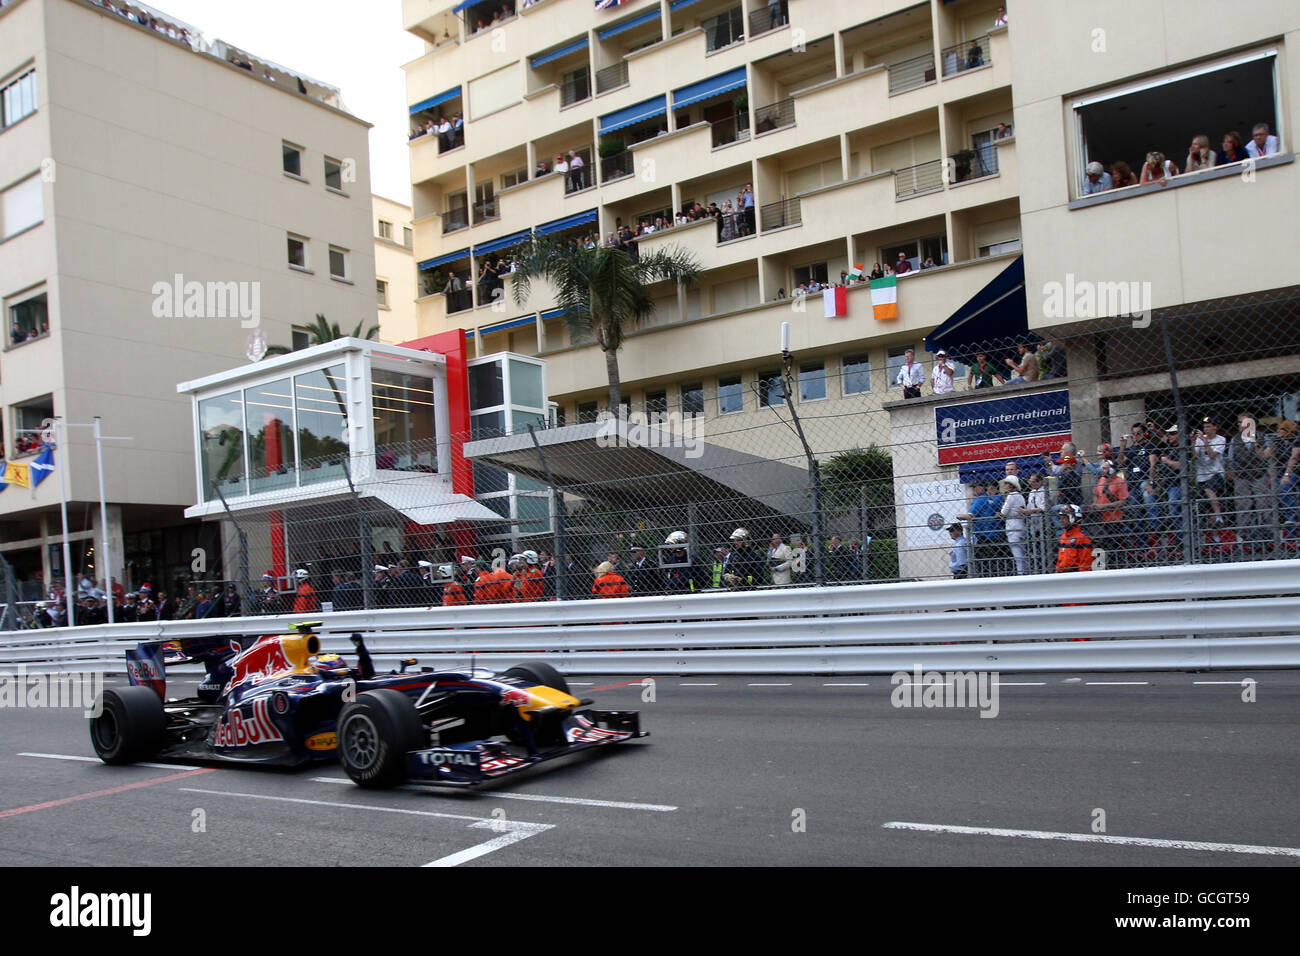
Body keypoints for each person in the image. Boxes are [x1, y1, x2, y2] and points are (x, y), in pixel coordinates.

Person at [1227, 413, 1274, 549]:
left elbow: (1265, 456)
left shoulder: (1263, 437)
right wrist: (1237, 471)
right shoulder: (1235, 439)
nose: (1240, 425)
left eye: (1243, 422)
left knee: (1264, 505)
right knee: (1243, 506)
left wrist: (1255, 443)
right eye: (1239, 423)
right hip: (1242, 476)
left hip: (1259, 474)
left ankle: (1270, 537)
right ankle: (1244, 539)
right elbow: (1230, 459)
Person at [1193, 417, 1226, 526]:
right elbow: (1194, 456)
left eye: (1208, 426)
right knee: (1205, 504)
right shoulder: (1199, 439)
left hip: (1215, 472)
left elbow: (1212, 455)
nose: (1206, 429)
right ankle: (1213, 528)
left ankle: (1218, 516)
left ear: (1215, 427)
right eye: (1204, 427)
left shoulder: (1221, 439)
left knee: (1209, 488)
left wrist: (1205, 442)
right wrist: (1192, 441)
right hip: (1202, 474)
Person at [999, 475, 1028, 574]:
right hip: (1021, 524)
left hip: (1012, 526)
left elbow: (1004, 512)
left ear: (1011, 485)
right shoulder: (1020, 496)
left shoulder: (1011, 496)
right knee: (1023, 552)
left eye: (1007, 484)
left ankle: (1021, 573)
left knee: (1017, 553)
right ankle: (1026, 572)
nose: (1005, 485)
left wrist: (999, 514)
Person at [1055, 505, 1093, 572]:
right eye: (1061, 518)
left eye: (1064, 518)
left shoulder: (1082, 538)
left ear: (1073, 518)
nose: (1061, 521)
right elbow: (1059, 560)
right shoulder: (1063, 537)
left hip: (1076, 575)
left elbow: (1085, 564)